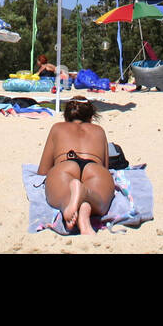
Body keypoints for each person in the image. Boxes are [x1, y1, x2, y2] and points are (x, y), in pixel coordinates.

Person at [35, 97, 115, 235]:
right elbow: (105, 168)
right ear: (91, 117)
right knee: (101, 203)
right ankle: (86, 197)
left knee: (63, 197)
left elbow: (43, 171)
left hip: (66, 163)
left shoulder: (57, 128)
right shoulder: (99, 130)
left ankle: (68, 203)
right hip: (93, 167)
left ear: (66, 116)